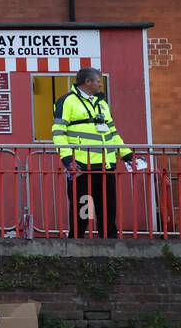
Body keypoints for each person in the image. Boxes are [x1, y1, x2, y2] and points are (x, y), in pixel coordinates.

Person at [53, 67, 139, 239]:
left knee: (107, 209)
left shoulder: (102, 104)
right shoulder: (67, 101)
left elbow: (113, 133)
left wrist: (127, 155)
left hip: (106, 165)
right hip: (81, 166)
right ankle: (76, 244)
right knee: (83, 210)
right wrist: (68, 159)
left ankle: (110, 246)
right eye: (98, 81)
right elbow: (58, 133)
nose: (100, 84)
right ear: (88, 82)